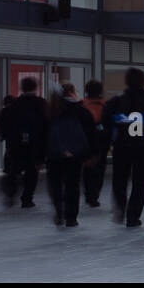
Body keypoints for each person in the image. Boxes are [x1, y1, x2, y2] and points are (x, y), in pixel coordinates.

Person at [105, 67, 144, 227]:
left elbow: (106, 123)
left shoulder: (116, 101)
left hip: (122, 146)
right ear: (143, 81)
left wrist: (108, 144)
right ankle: (133, 216)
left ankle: (120, 208)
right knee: (140, 183)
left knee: (119, 180)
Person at [46, 84, 96, 227]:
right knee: (72, 185)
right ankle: (71, 217)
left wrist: (39, 155)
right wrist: (91, 154)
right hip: (75, 154)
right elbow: (90, 133)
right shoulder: (80, 110)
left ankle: (59, 211)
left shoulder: (51, 110)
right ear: (71, 92)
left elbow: (42, 134)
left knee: (55, 184)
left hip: (54, 154)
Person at [0, 77, 46, 208]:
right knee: (32, 172)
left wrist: (7, 140)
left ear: (22, 88)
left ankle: (11, 191)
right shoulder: (41, 104)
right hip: (36, 145)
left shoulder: (14, 105)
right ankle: (27, 199)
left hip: (16, 145)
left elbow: (4, 125)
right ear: (35, 88)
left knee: (14, 169)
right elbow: (47, 125)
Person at [81, 79, 110, 207]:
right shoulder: (106, 105)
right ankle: (94, 195)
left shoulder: (81, 104)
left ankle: (88, 193)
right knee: (100, 167)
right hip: (101, 141)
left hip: (85, 140)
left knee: (87, 167)